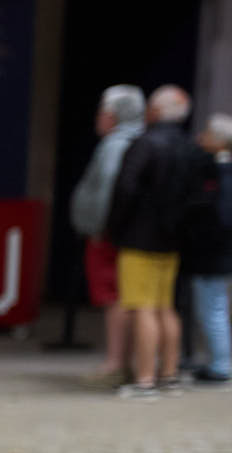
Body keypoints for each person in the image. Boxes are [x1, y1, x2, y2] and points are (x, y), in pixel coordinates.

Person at [105, 85, 197, 398]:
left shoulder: (144, 144)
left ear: (154, 111)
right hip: (172, 240)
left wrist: (114, 227)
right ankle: (168, 375)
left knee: (143, 308)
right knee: (165, 308)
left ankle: (144, 379)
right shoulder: (189, 146)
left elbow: (125, 189)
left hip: (140, 239)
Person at [70, 85, 145, 387]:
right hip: (124, 233)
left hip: (108, 235)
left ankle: (116, 362)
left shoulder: (115, 145)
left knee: (114, 297)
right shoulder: (135, 142)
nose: (98, 117)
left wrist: (100, 225)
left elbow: (109, 188)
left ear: (114, 116)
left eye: (103, 111)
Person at [181, 113, 232, 386]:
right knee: (215, 308)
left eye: (208, 135)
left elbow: (222, 217)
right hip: (217, 253)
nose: (201, 139)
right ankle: (219, 362)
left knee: (212, 309)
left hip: (214, 254)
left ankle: (221, 365)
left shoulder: (220, 173)